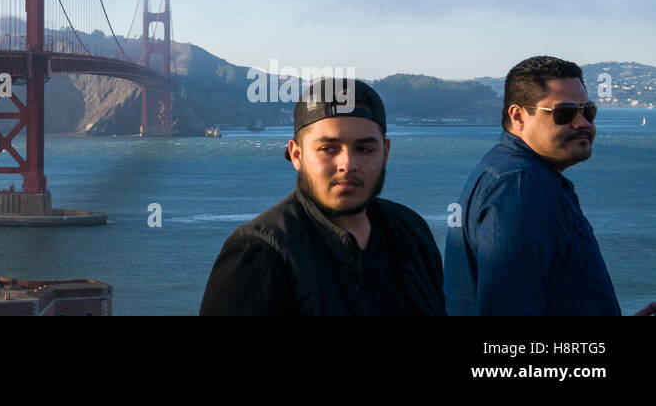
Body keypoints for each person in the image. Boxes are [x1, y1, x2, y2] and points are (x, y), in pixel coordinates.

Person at [199, 78, 444, 315]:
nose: (348, 164)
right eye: (328, 149)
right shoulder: (258, 254)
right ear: (296, 155)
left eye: (365, 149)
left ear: (385, 152)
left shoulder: (412, 233)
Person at [445, 55, 654, 316]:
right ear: (518, 116)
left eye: (587, 111)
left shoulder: (523, 177)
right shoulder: (519, 187)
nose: (582, 122)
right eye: (564, 113)